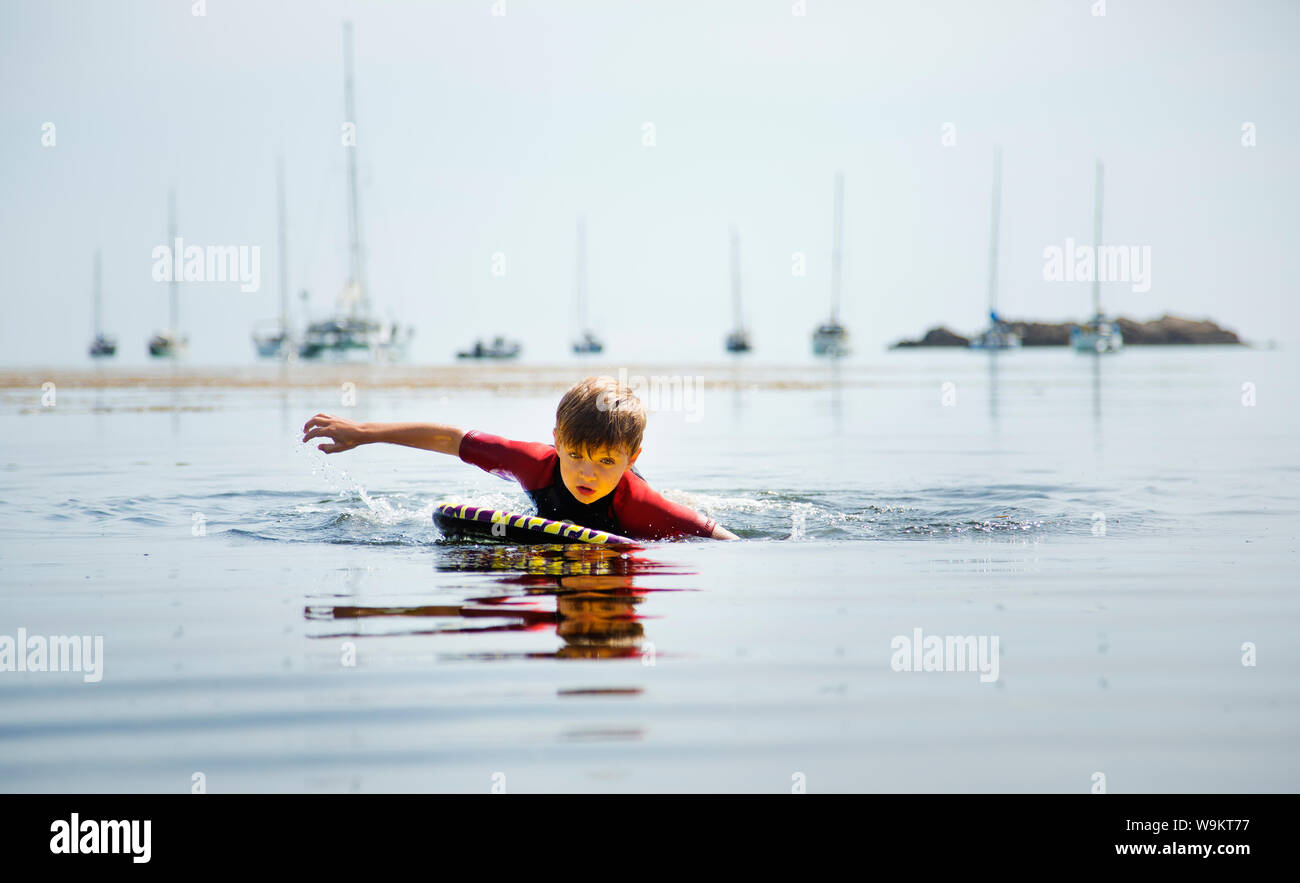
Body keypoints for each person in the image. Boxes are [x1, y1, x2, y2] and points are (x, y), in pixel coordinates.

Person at [301, 375, 738, 541]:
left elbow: (722, 541)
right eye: (575, 457)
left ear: (631, 458)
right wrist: (362, 433)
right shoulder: (534, 463)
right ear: (556, 442)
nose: (587, 473)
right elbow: (450, 439)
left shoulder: (639, 505)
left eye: (605, 462)